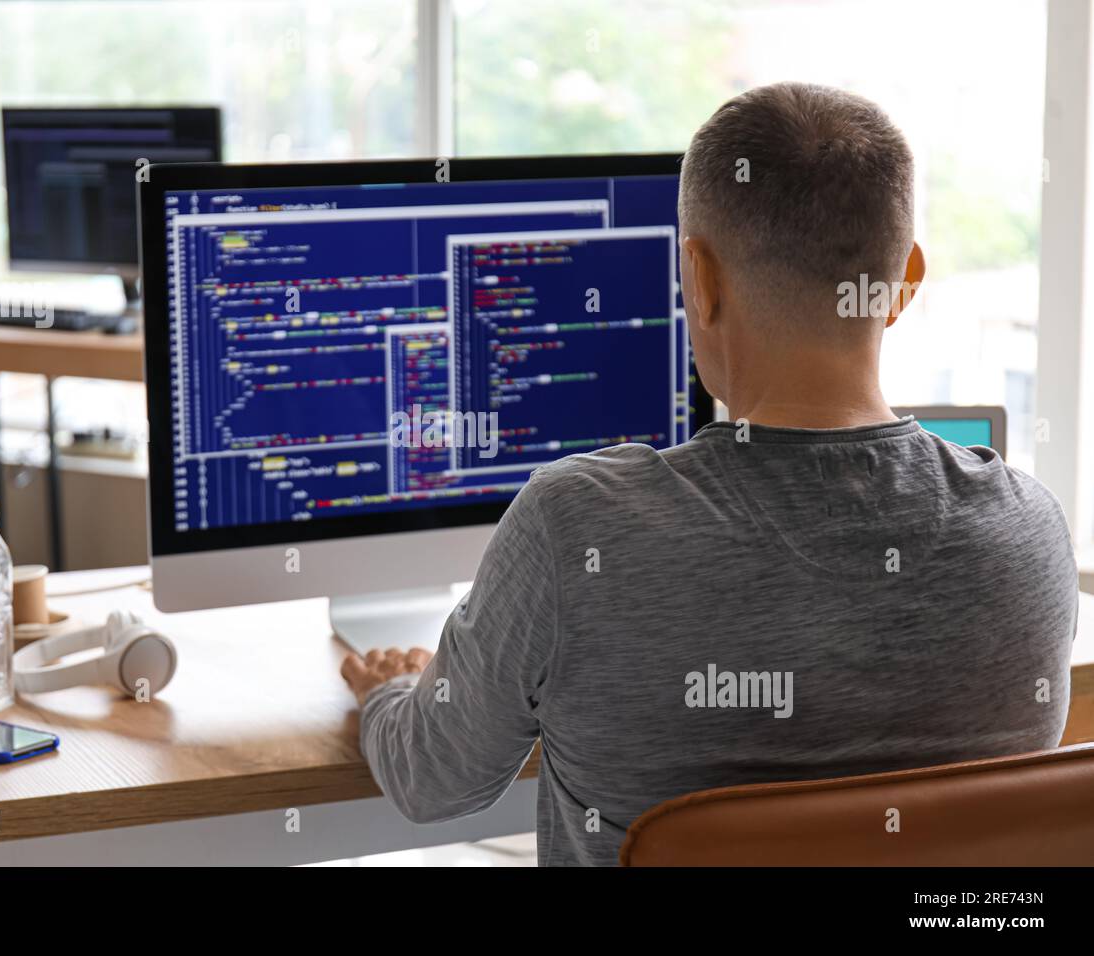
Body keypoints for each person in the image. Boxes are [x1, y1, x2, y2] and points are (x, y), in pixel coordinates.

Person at [340, 82, 1079, 866]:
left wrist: (387, 691)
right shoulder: (1030, 533)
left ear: (699, 277)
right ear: (904, 281)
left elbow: (432, 781)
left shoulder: (577, 529)